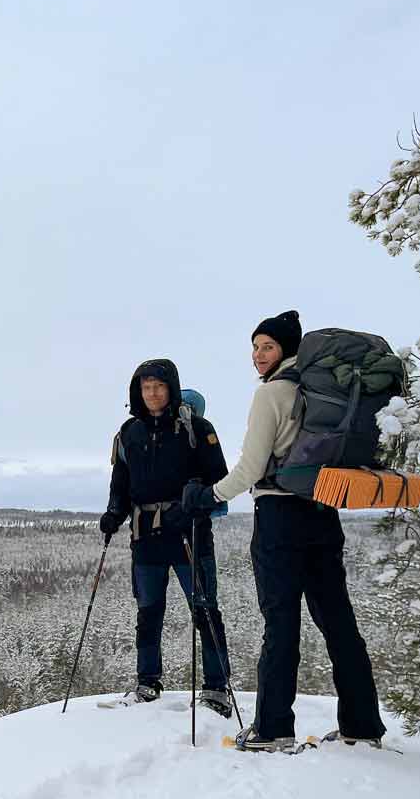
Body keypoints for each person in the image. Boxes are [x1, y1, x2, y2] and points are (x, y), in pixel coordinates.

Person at [181, 311, 388, 751]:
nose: (258, 355)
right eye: (255, 346)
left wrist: (210, 494)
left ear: (288, 350)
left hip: (278, 517)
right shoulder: (319, 392)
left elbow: (252, 468)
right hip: (322, 509)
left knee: (280, 623)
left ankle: (273, 728)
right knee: (339, 623)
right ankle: (362, 724)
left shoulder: (272, 394)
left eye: (267, 346)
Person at [99, 358, 234, 714]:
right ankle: (147, 682)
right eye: (146, 387)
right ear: (137, 392)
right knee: (148, 611)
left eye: (159, 386)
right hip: (146, 538)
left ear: (171, 388)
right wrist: (114, 512)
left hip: (190, 533)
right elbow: (122, 483)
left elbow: (219, 480)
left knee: (204, 611)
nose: (153, 393)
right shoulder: (129, 433)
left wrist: (194, 500)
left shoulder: (196, 427)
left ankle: (217, 688)